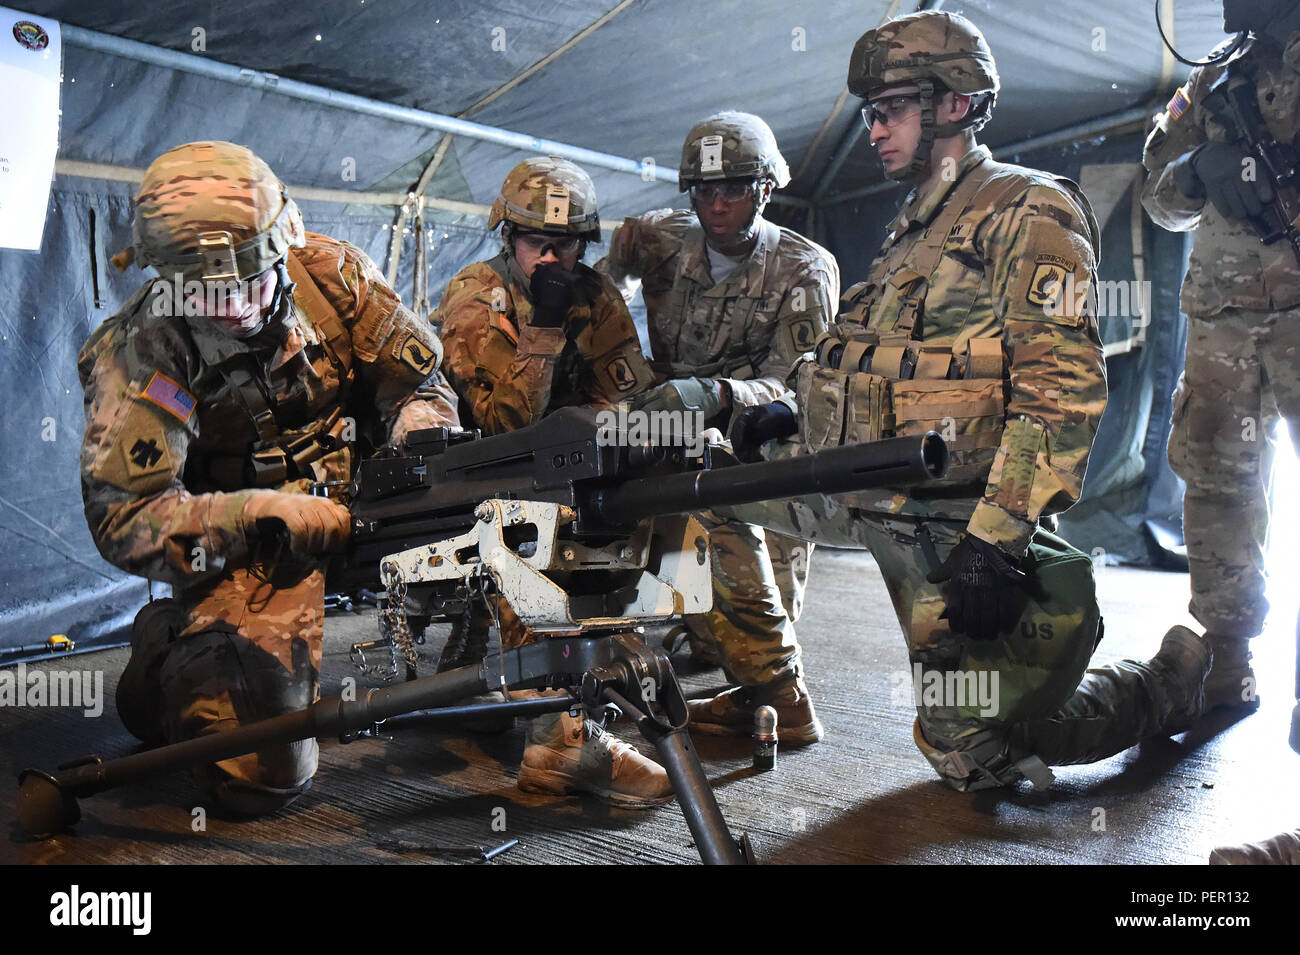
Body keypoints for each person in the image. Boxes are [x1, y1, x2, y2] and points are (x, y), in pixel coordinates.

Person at [725, 11, 1212, 792]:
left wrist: (997, 538)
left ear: (954, 104)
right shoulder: (912, 229)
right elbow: (855, 356)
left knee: (970, 751)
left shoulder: (1027, 210)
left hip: (949, 516)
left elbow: (1062, 391)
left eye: (890, 110)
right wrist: (786, 410)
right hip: (861, 485)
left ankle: (1163, 687)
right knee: (704, 481)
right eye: (869, 114)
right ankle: (760, 677)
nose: (873, 131)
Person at [82, 141, 460, 814]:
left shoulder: (336, 280)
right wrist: (254, 513)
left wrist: (421, 437)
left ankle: (561, 734)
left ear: (281, 244)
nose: (230, 306)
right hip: (255, 552)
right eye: (204, 290)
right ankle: (166, 653)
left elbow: (419, 385)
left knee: (527, 530)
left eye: (248, 279)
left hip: (374, 513)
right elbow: (125, 517)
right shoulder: (144, 350)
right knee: (263, 775)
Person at [434, 156, 669, 807]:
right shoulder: (476, 297)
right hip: (478, 484)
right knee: (539, 551)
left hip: (562, 474)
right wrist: (542, 328)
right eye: (539, 241)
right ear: (507, 236)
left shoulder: (594, 295)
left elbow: (627, 402)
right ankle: (562, 741)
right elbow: (502, 422)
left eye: (566, 243)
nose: (553, 256)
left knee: (637, 532)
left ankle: (500, 685)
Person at [601, 112, 839, 746]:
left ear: (765, 189)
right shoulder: (653, 239)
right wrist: (630, 376)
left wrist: (717, 394)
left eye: (733, 189)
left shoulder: (805, 271)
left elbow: (798, 386)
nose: (717, 205)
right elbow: (599, 300)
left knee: (766, 624)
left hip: (759, 438)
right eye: (704, 191)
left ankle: (762, 688)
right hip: (664, 432)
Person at [1143, 0, 1300, 866]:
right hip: (1223, 324)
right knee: (1214, 488)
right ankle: (1227, 658)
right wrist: (1201, 166)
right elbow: (1158, 193)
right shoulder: (1216, 78)